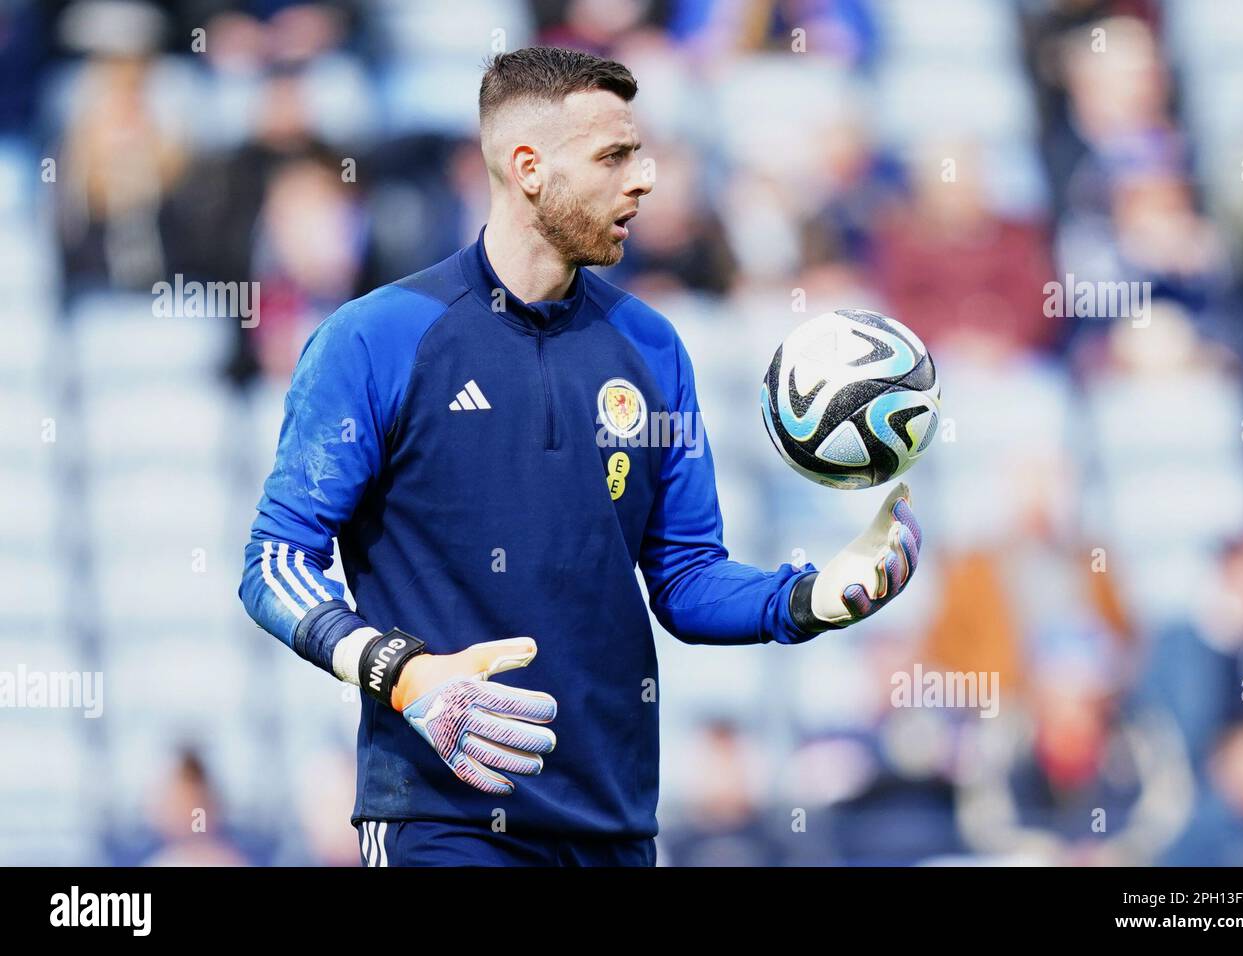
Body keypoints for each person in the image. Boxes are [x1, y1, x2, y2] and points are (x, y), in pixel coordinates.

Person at [238, 46, 922, 867]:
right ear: (528, 168)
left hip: (614, 823)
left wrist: (811, 597)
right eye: (614, 156)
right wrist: (404, 672)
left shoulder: (651, 345)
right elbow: (274, 561)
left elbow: (687, 581)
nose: (646, 177)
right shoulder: (376, 338)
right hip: (443, 820)